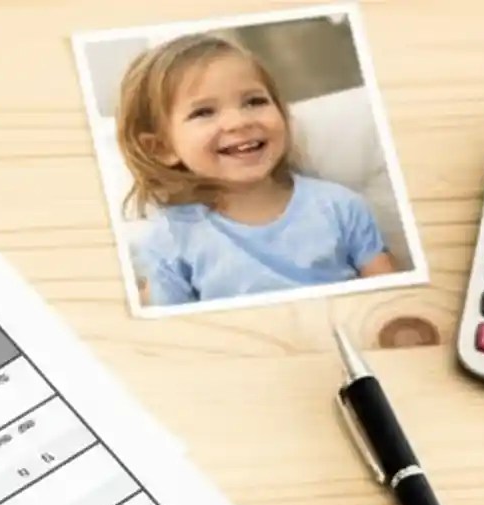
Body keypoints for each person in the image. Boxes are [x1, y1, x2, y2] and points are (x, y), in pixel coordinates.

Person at [114, 32, 397, 306]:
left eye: (254, 101)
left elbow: (395, 301)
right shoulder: (168, 241)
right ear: (162, 148)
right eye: (204, 112)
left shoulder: (340, 207)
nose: (238, 122)